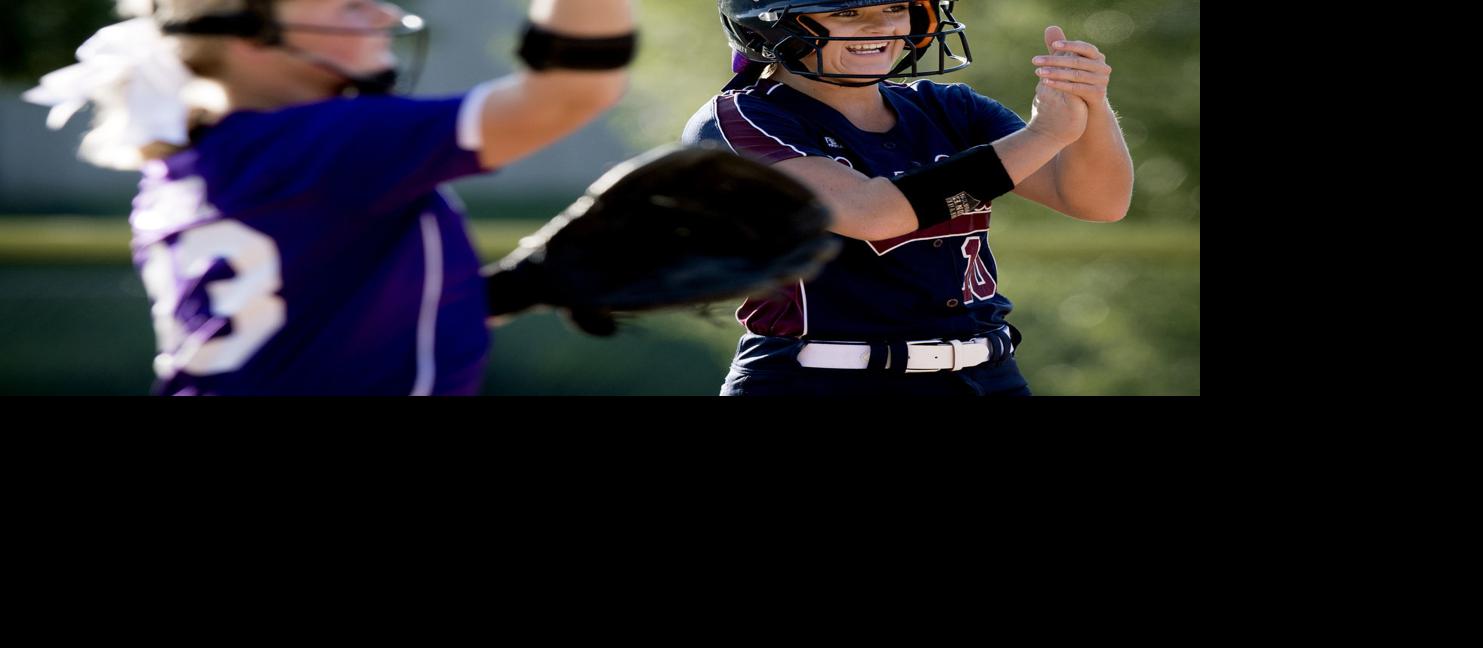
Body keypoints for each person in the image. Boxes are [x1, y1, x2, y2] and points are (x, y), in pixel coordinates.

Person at [24, 0, 636, 395]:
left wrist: (501, 292)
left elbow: (308, 319)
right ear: (252, 36)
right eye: (349, 6)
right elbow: (568, 93)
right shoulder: (328, 141)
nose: (382, 14)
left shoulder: (186, 169)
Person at [685, 0, 1134, 396]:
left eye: (894, 9)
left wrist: (1089, 103)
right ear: (771, 23)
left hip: (985, 374)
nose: (879, 26)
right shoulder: (740, 118)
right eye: (846, 13)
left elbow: (1098, 202)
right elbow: (872, 213)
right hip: (821, 376)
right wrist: (1046, 134)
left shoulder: (949, 107)